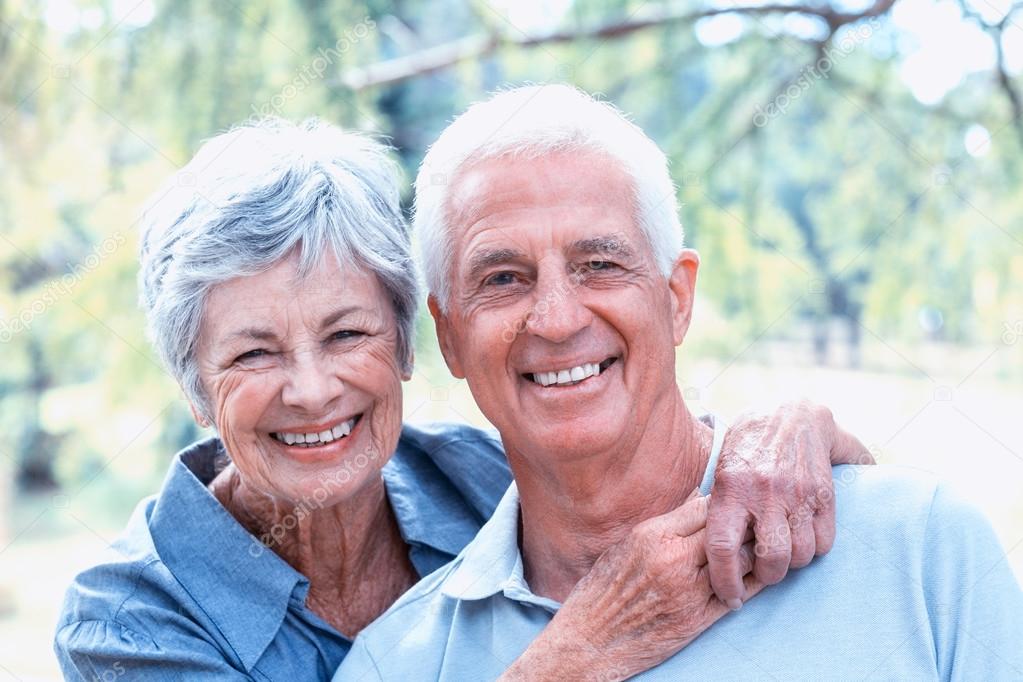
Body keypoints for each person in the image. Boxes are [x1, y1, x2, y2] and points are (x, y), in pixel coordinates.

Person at [53, 117, 866, 681]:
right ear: (196, 386)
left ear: (409, 346)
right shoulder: (126, 622)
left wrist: (791, 427)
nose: (310, 390)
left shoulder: (475, 473)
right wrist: (580, 655)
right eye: (254, 353)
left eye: (346, 336)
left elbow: (664, 447)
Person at [335, 85, 1023, 681]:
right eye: (502, 279)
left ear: (677, 299)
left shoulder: (921, 549)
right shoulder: (394, 666)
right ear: (449, 335)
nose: (555, 317)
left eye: (599, 263)